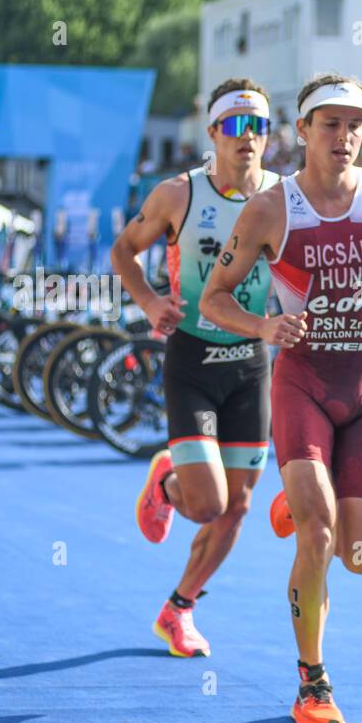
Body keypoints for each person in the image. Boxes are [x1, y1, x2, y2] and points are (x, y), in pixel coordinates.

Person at [199, 74, 362, 723]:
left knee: (361, 558)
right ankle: (312, 681)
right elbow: (214, 298)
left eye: (355, 124)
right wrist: (264, 327)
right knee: (319, 534)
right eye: (330, 123)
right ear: (302, 132)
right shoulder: (272, 209)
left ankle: (300, 499)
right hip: (302, 383)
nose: (345, 136)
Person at [112, 79, 281, 658]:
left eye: (258, 125)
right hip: (192, 360)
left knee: (238, 507)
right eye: (235, 126)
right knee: (207, 504)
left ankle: (178, 609)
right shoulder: (178, 195)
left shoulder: (286, 197)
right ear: (212, 134)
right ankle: (166, 478)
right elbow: (123, 251)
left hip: (251, 366)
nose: (248, 138)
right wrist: (151, 302)